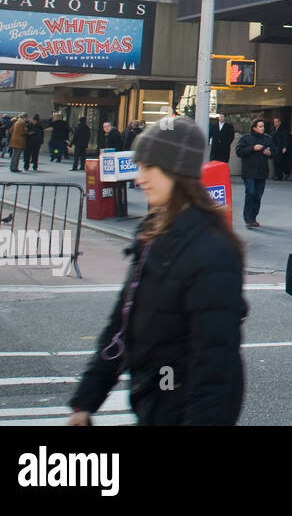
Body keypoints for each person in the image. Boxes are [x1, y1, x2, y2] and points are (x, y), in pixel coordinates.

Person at [67, 117, 246, 425]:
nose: (139, 178)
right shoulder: (153, 233)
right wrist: (86, 400)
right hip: (155, 398)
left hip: (181, 408)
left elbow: (214, 364)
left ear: (177, 172)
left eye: (149, 167)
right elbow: (122, 322)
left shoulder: (212, 250)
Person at [235, 119, 273, 229]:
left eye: (263, 126)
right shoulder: (245, 138)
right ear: (254, 128)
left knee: (258, 196)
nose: (262, 128)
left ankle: (253, 218)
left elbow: (274, 152)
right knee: (250, 192)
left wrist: (269, 153)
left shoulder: (267, 139)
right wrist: (252, 148)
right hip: (249, 171)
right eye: (260, 126)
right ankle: (248, 219)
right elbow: (239, 151)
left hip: (262, 171)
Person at [270, 116, 291, 180]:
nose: (275, 123)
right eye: (274, 122)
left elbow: (285, 139)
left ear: (279, 122)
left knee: (280, 162)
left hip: (280, 147)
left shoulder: (283, 130)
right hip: (274, 147)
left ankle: (286, 172)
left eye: (276, 122)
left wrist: (285, 147)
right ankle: (278, 176)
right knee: (275, 162)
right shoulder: (273, 129)